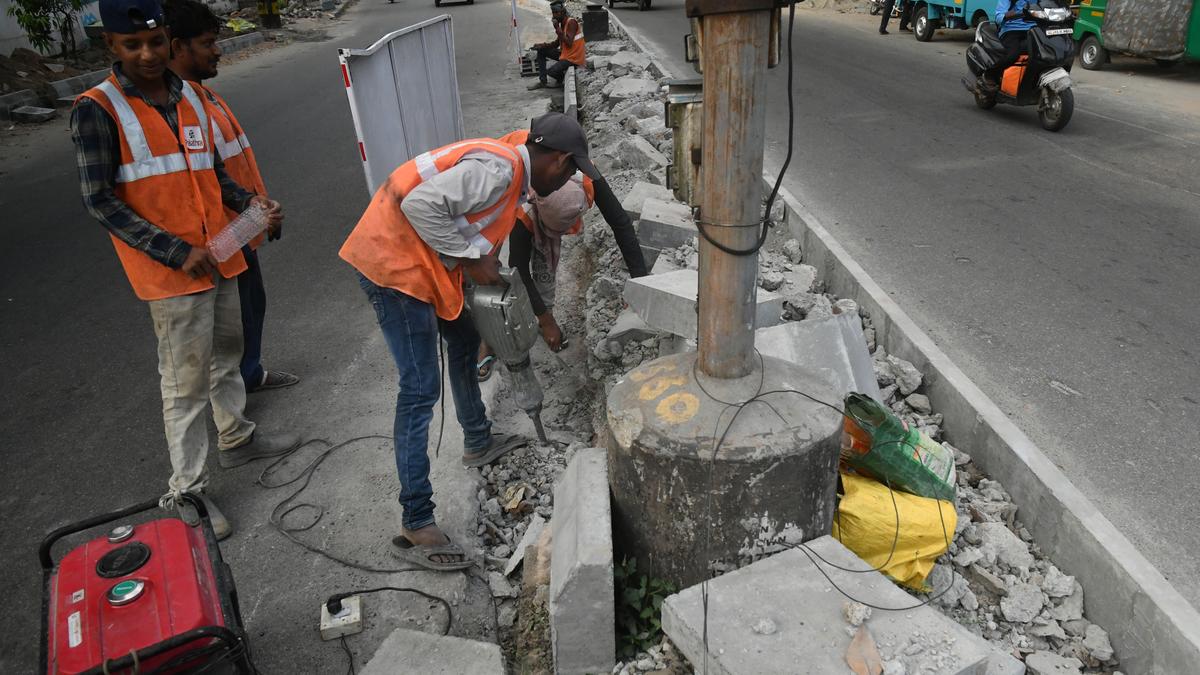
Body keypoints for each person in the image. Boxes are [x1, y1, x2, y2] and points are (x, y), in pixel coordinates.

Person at [70, 0, 299, 539]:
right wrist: (173, 250)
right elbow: (99, 200)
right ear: (111, 45)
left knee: (227, 353)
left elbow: (212, 173)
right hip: (172, 274)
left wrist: (250, 206)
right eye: (132, 45)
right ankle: (188, 493)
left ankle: (236, 438)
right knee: (184, 384)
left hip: (219, 252)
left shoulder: (188, 95)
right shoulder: (96, 109)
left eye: (154, 42)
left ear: (167, 38)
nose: (147, 55)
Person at [339, 112, 593, 571]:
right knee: (419, 390)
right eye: (572, 170)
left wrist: (477, 264)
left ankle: (477, 439)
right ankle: (416, 520)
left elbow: (463, 223)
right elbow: (420, 206)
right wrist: (470, 259)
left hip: (425, 267)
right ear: (557, 159)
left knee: (463, 340)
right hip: (394, 269)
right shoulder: (497, 171)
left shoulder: (511, 179)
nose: (570, 179)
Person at [165, 0, 299, 395]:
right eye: (207, 43)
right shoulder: (180, 107)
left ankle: (249, 375)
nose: (217, 50)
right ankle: (235, 403)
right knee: (235, 320)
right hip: (222, 238)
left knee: (251, 308)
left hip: (242, 224)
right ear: (178, 48)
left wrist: (259, 210)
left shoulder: (202, 96)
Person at [475, 125, 649, 381]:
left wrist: (639, 285)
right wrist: (547, 322)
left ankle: (539, 308)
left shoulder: (588, 178)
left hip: (543, 183)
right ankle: (487, 339)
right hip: (493, 183)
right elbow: (518, 268)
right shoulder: (518, 202)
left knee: (545, 253)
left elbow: (621, 224)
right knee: (486, 263)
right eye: (551, 229)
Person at [528, 1, 585, 91]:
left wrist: (557, 28)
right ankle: (543, 81)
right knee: (541, 51)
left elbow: (569, 43)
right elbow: (557, 43)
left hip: (573, 58)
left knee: (551, 71)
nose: (554, 16)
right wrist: (542, 45)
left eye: (556, 13)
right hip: (566, 54)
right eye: (553, 13)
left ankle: (560, 80)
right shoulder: (562, 24)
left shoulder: (571, 23)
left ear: (562, 12)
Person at [982, 0, 1035, 90]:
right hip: (1011, 28)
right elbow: (999, 17)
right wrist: (1011, 14)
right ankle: (991, 74)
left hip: (1034, 29)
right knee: (1013, 55)